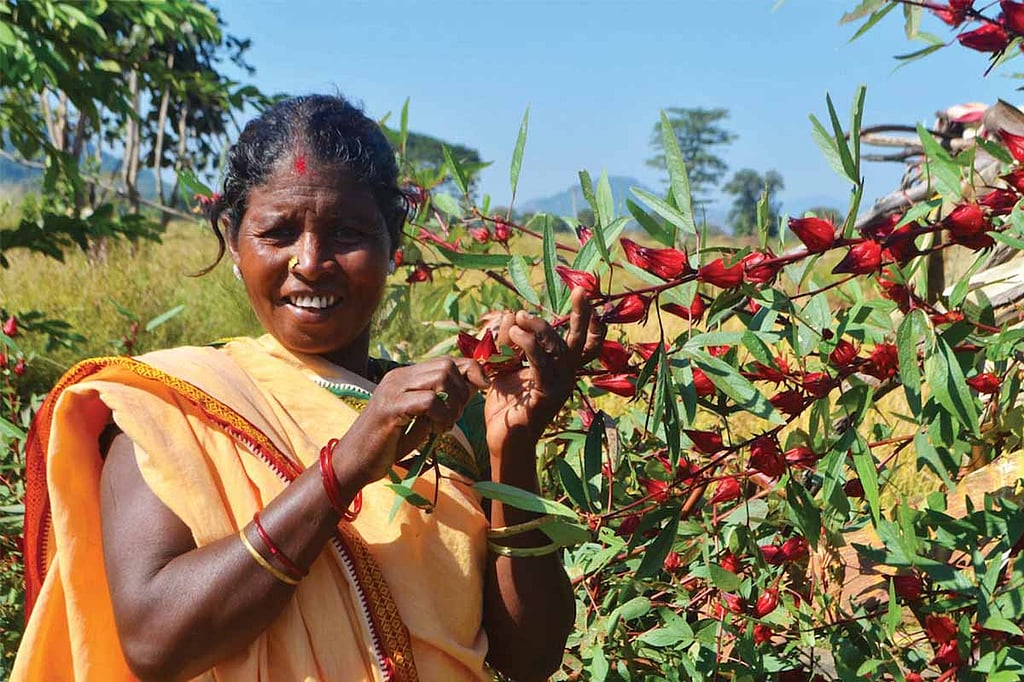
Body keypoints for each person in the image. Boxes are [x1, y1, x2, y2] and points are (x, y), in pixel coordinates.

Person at [13, 94, 604, 681]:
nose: (311, 261)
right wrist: (343, 468)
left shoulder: (450, 417)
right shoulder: (172, 406)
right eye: (277, 233)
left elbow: (530, 659)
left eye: (346, 232)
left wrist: (513, 448)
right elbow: (155, 642)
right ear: (234, 241)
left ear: (393, 239)